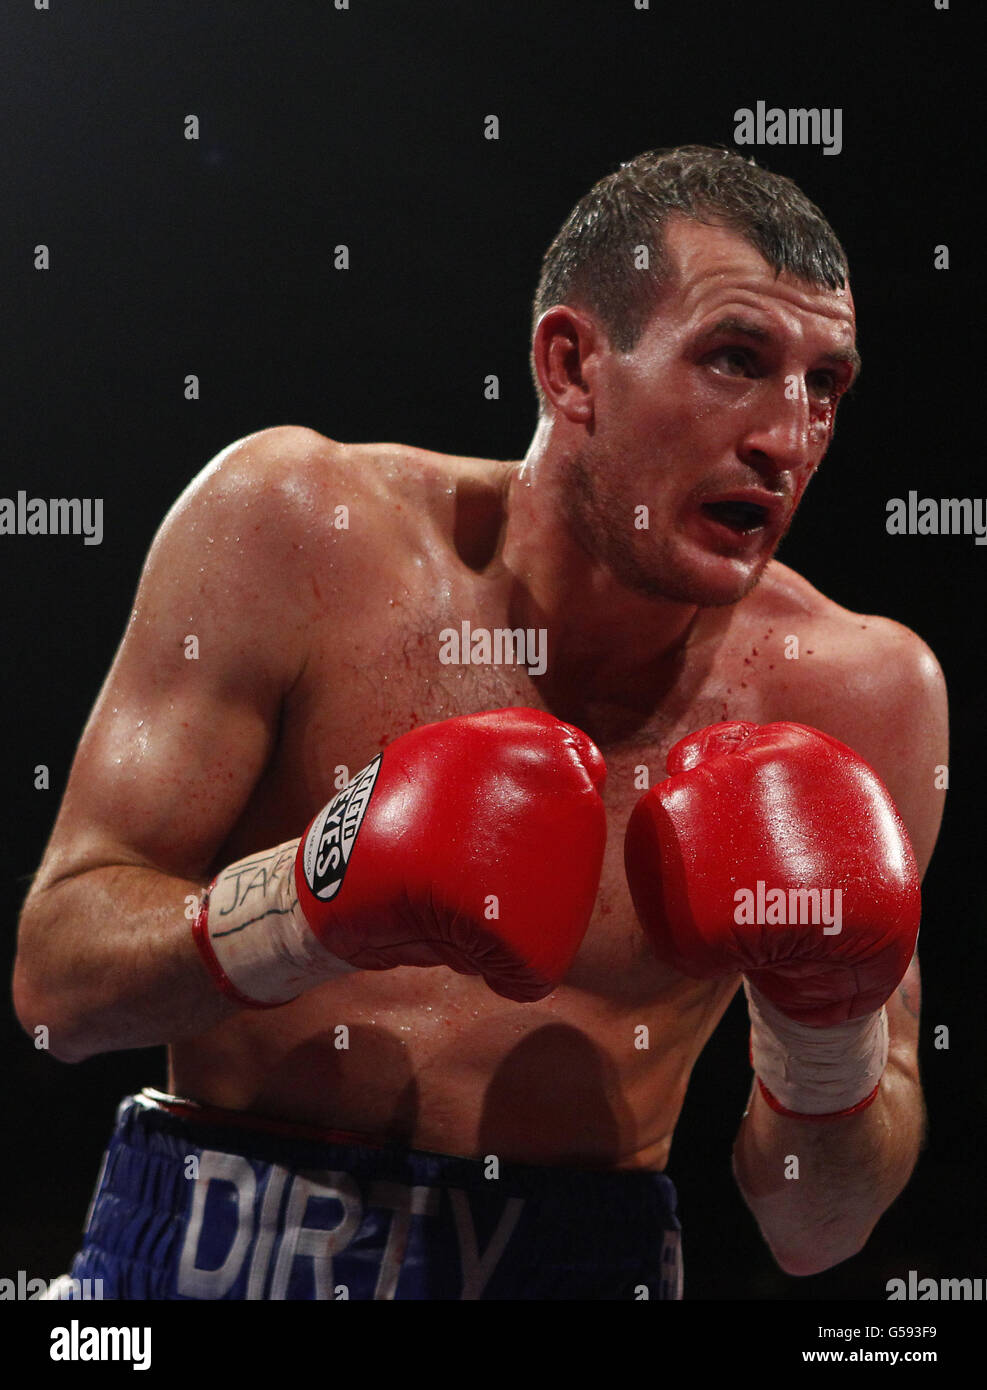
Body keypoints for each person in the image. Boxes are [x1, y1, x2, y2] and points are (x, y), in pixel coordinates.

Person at [14, 146, 946, 1300]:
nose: (787, 436)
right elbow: (57, 988)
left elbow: (821, 1227)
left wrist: (824, 1035)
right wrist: (308, 902)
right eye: (736, 361)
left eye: (826, 386)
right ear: (572, 367)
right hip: (196, 1253)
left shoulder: (863, 695)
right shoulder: (296, 529)